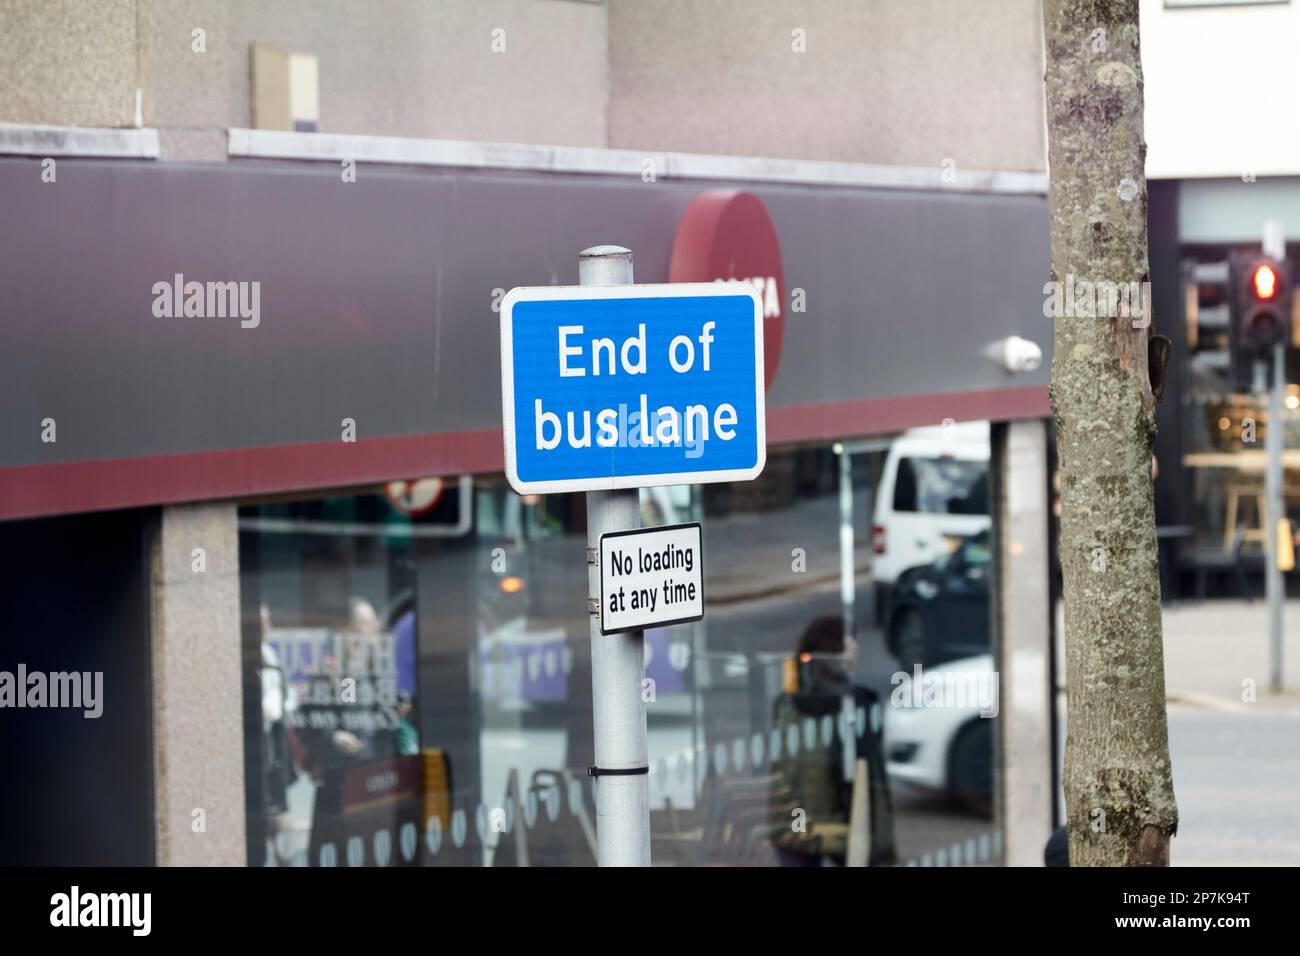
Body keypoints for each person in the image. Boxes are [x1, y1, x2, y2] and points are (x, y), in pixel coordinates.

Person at [769, 616, 897, 866]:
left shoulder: (785, 706)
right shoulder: (857, 705)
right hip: (842, 828)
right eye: (852, 642)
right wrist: (883, 849)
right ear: (837, 652)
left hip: (792, 828)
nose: (857, 649)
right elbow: (871, 782)